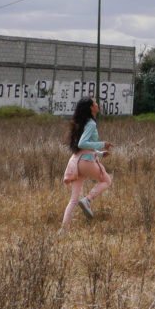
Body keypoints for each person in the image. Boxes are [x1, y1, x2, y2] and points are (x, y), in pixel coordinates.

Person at [60, 97, 112, 229]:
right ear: (91, 108)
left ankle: (63, 229)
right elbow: (82, 143)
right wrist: (103, 144)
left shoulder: (82, 123)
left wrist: (99, 153)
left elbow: (83, 147)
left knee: (74, 199)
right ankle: (88, 200)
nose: (97, 104)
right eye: (95, 103)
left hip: (76, 162)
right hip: (85, 162)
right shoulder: (91, 124)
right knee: (106, 180)